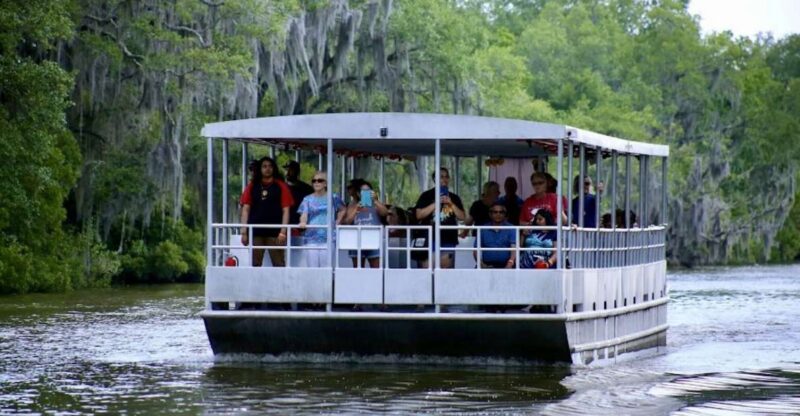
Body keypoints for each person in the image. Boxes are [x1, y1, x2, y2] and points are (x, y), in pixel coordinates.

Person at [240, 157, 293, 267]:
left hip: (275, 233)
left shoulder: (281, 186)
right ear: (260, 169)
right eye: (264, 166)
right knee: (255, 264)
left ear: (274, 168)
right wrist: (244, 232)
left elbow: (286, 210)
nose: (267, 169)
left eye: (270, 166)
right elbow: (245, 209)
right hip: (255, 232)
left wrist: (283, 232)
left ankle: (281, 285)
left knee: (279, 264)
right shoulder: (252, 186)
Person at [414, 168, 465, 268]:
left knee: (446, 272)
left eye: (446, 176)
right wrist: (436, 203)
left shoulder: (454, 197)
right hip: (430, 238)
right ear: (435, 179)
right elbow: (419, 215)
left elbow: (462, 217)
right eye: (441, 177)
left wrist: (451, 204)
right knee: (428, 269)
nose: (444, 179)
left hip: (448, 238)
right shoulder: (426, 195)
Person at [297, 171, 345, 267]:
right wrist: (302, 222)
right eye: (314, 181)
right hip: (311, 238)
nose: (316, 183)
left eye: (320, 180)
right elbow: (304, 213)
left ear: (325, 183)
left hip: (329, 237)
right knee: (313, 269)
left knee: (326, 268)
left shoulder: (333, 197)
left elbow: (342, 209)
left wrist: (338, 221)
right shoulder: (307, 199)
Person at [344, 179, 388, 268]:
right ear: (358, 193)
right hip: (357, 240)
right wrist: (356, 210)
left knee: (376, 269)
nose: (366, 193)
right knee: (358, 269)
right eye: (363, 191)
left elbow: (385, 213)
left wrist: (375, 201)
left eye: (368, 191)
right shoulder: (352, 205)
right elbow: (347, 222)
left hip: (374, 239)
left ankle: (375, 282)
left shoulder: (376, 204)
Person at [474, 202, 516, 269]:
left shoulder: (511, 228)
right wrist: (481, 264)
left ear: (504, 214)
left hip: (506, 264)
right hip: (486, 265)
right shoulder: (483, 229)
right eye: (495, 212)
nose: (498, 214)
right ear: (490, 214)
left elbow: (514, 248)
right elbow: (476, 250)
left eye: (501, 212)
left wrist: (510, 263)